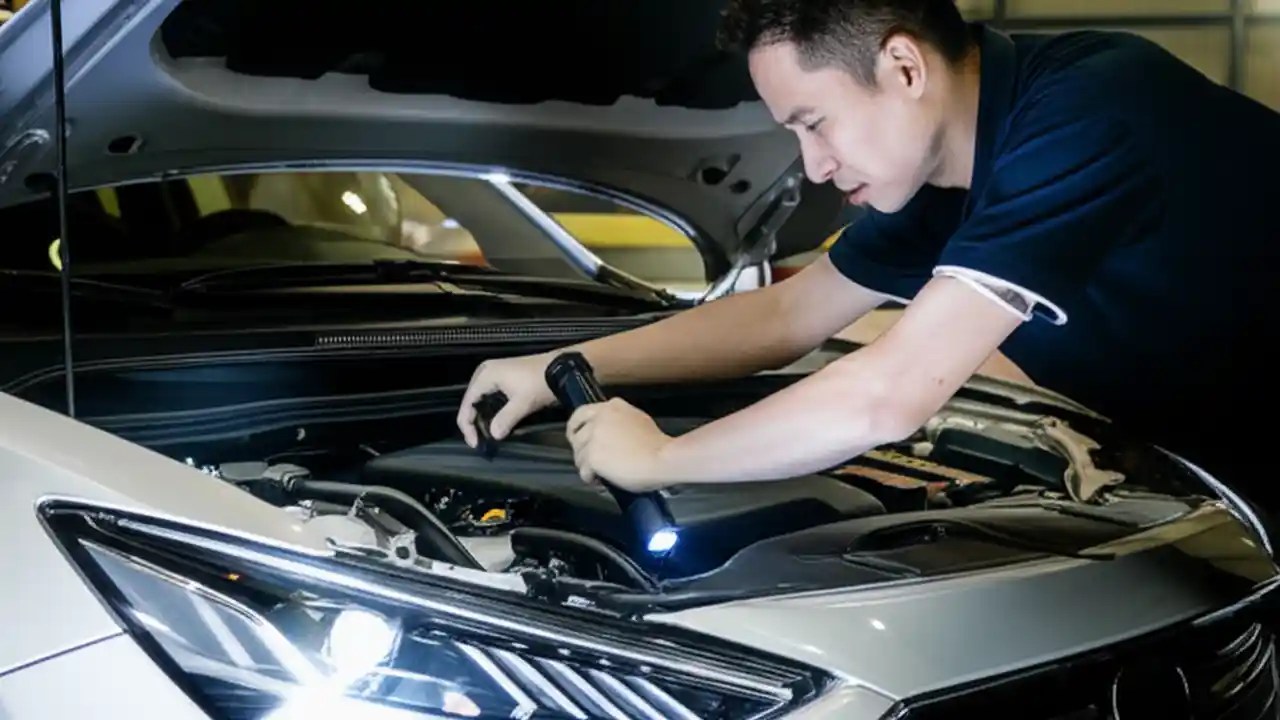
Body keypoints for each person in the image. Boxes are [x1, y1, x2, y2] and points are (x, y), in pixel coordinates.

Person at [457, 0, 1280, 513]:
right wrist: (558, 363)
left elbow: (888, 395)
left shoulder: (1094, 107)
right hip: (1217, 488)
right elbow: (786, 315)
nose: (812, 167)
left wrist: (666, 459)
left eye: (814, 123)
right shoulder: (935, 179)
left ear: (903, 66)